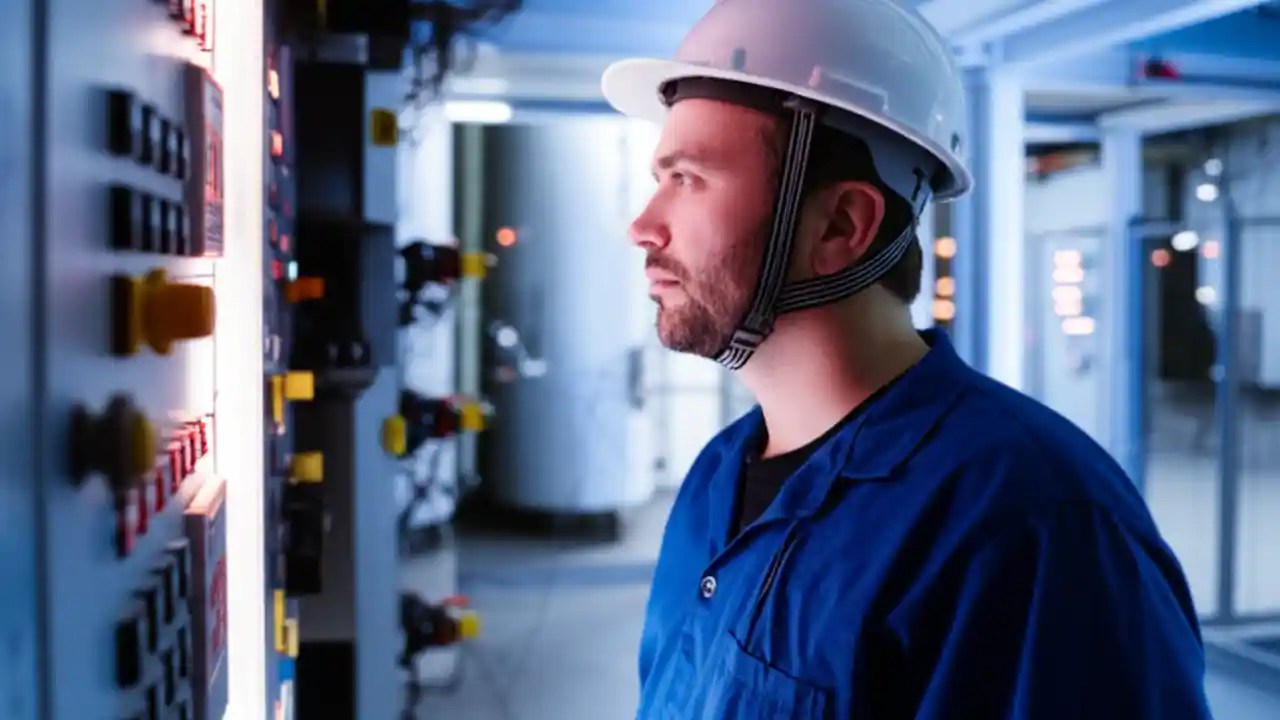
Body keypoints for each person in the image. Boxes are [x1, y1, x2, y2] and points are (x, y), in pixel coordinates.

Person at [600, 0, 1212, 717]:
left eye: (689, 179)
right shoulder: (716, 475)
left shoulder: (1035, 526)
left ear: (842, 224)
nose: (642, 227)